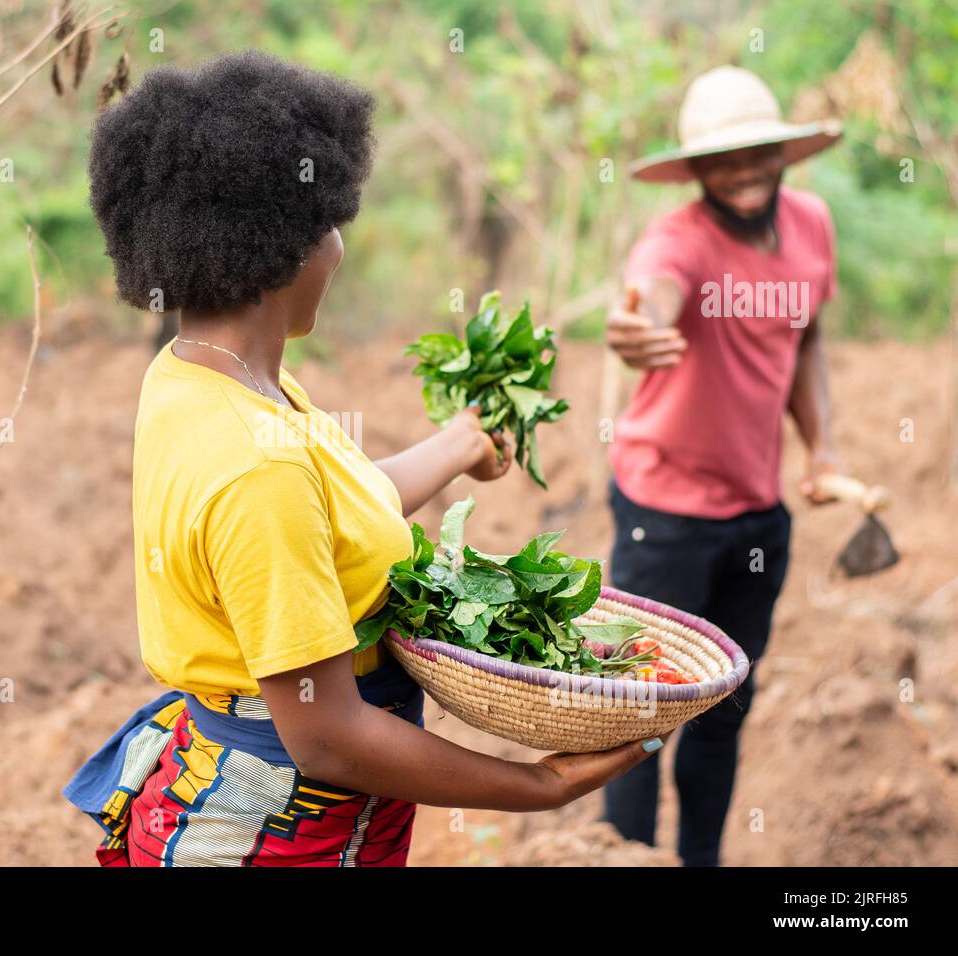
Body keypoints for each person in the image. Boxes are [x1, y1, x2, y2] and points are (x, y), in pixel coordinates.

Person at [63, 51, 660, 867]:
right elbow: (330, 739)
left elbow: (329, 524)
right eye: (330, 223)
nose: (338, 247)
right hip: (273, 831)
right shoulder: (253, 464)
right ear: (285, 249)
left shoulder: (201, 377)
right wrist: (542, 786)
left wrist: (458, 445)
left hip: (243, 787)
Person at [603, 66, 844, 866]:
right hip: (663, 512)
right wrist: (638, 329)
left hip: (755, 513)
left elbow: (806, 341)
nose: (742, 174)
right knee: (639, 710)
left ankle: (698, 860)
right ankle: (625, 854)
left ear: (782, 155)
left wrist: (824, 449)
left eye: (757, 157)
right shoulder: (678, 241)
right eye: (722, 161)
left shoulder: (811, 225)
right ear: (697, 170)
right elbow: (653, 294)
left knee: (724, 709)